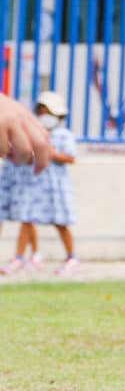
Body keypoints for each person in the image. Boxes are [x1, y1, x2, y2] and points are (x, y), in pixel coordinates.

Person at [2, 93, 78, 276]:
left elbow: (70, 157)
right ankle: (20, 258)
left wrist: (49, 152)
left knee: (60, 223)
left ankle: (71, 258)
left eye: (48, 111)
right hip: (34, 185)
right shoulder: (35, 132)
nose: (44, 115)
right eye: (42, 111)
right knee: (27, 220)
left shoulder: (63, 135)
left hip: (53, 188)